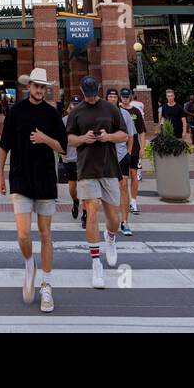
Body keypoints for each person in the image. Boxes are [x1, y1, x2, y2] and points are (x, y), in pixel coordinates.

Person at [0, 67, 67, 313]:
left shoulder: (52, 114)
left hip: (46, 181)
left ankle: (46, 285)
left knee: (46, 235)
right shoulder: (15, 112)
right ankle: (29, 264)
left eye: (43, 87)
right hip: (20, 179)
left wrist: (45, 139)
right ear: (28, 87)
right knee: (23, 235)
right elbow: (4, 144)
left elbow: (63, 148)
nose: (39, 90)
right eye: (36, 86)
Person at [66, 75, 128, 289]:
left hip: (109, 167)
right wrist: (84, 139)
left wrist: (107, 137)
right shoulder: (76, 112)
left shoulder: (111, 109)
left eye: (94, 94)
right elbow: (69, 138)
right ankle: (95, 263)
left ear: (97, 89)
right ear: (83, 91)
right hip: (86, 168)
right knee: (92, 209)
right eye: (88, 94)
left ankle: (110, 238)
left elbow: (124, 135)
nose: (92, 98)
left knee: (113, 215)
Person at [105, 88, 137, 236]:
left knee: (123, 186)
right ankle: (112, 221)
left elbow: (131, 135)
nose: (112, 99)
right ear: (106, 99)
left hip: (122, 155)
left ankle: (125, 222)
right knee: (109, 189)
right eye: (109, 96)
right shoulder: (101, 114)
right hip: (106, 157)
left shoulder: (124, 114)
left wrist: (129, 153)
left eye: (114, 97)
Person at [119, 88, 146, 213]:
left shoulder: (136, 111)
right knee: (121, 178)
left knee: (134, 174)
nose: (125, 98)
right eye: (123, 96)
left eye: (127, 96)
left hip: (134, 147)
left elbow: (142, 131)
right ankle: (122, 201)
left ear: (130, 97)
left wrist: (142, 147)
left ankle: (133, 201)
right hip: (119, 147)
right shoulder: (116, 111)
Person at [60, 96, 82, 225]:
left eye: (78, 104)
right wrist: (62, 153)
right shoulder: (64, 120)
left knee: (86, 186)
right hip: (69, 158)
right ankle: (75, 201)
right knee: (73, 187)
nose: (75, 106)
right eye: (74, 104)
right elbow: (60, 138)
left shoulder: (86, 118)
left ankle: (85, 213)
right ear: (70, 107)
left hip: (84, 159)